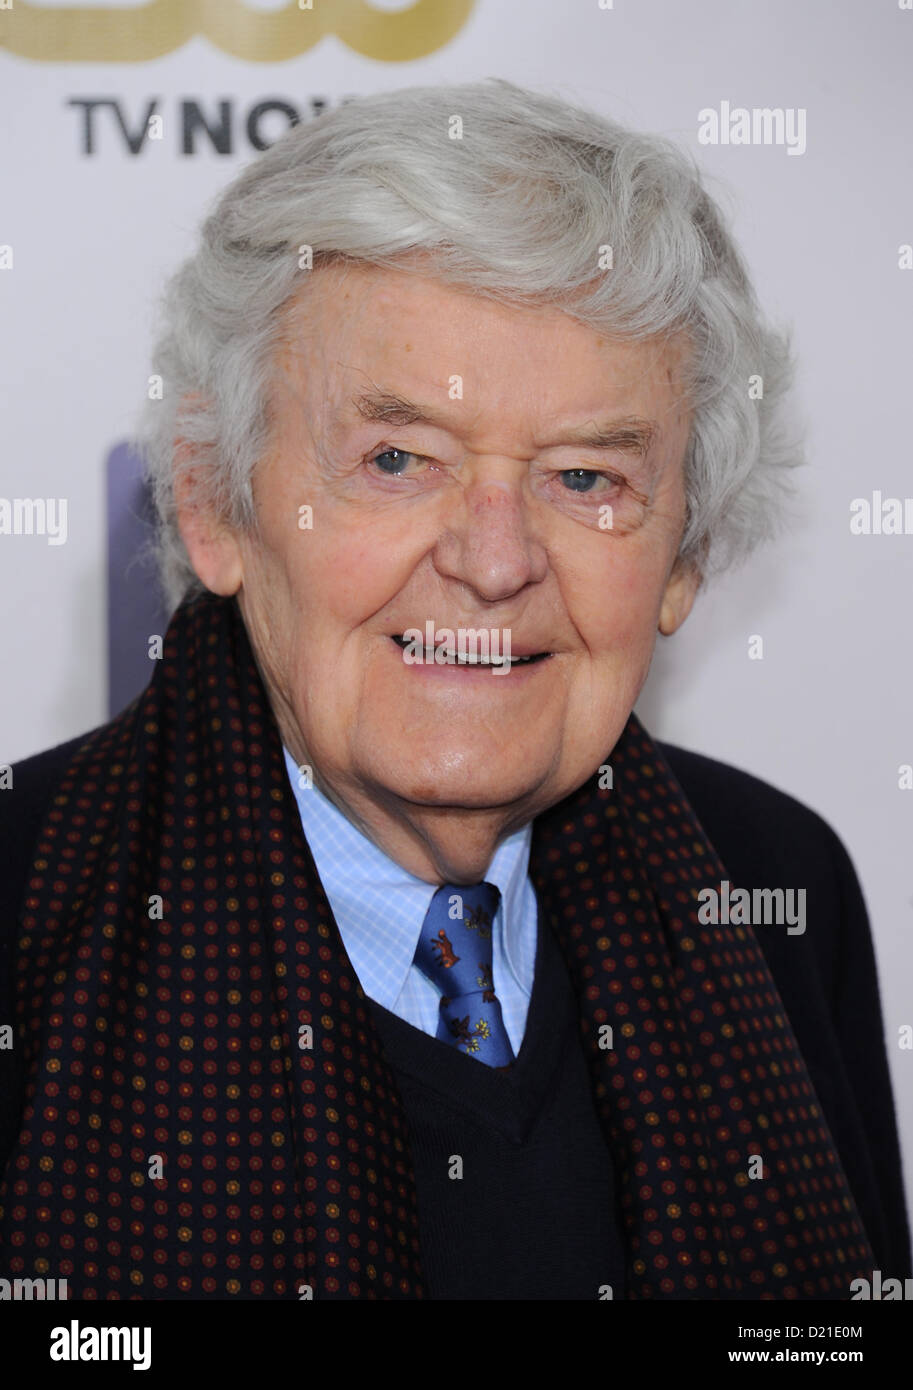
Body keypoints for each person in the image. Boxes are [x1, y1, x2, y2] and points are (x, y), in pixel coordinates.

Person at [0, 79, 908, 1301]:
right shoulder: (23, 908)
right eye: (394, 459)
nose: (492, 560)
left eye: (586, 477)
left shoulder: (770, 885)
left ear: (685, 559)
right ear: (216, 503)